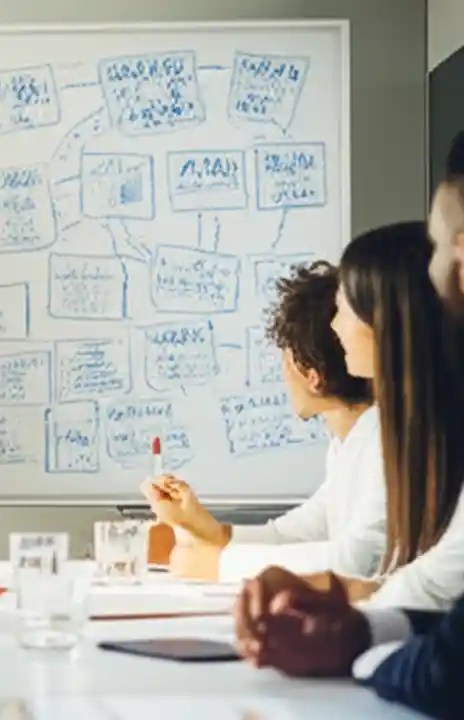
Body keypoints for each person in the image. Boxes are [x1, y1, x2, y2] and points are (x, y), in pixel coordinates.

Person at [232, 142, 464, 719]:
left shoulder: (401, 432)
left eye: (444, 247)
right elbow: (438, 590)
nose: (334, 327)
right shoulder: (382, 433)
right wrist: (358, 616)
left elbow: (437, 626)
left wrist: (358, 631)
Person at [141, 261, 383, 582]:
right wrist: (207, 529)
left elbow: (358, 559)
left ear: (312, 376)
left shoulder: (383, 440)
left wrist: (221, 566)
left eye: (285, 360)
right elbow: (302, 531)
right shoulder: (349, 442)